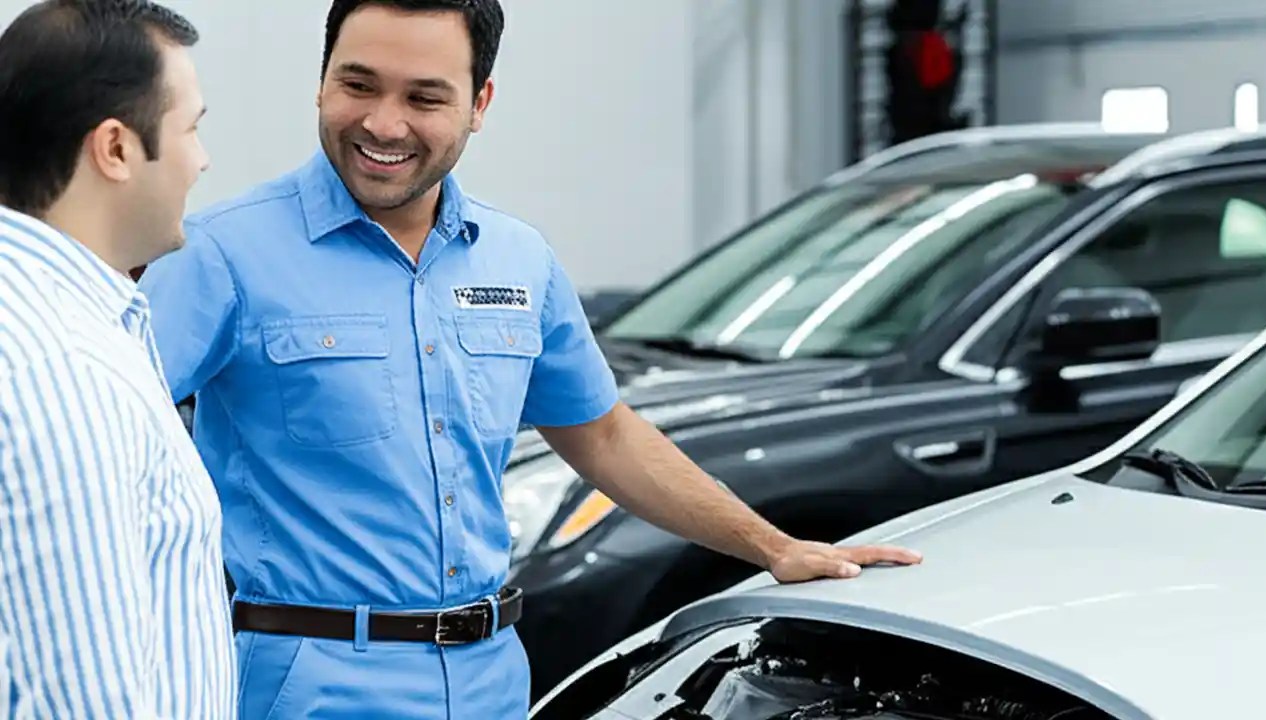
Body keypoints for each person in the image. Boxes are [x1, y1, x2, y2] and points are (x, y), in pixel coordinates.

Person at [138, 0, 922, 717]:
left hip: (492, 682)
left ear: (479, 104)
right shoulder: (219, 256)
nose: (383, 123)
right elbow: (104, 441)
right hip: (304, 687)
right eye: (358, 85)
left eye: (424, 97)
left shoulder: (517, 260)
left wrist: (774, 547)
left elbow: (606, 436)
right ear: (320, 83)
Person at [0, 1, 235, 718]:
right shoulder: (61, 368)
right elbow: (84, 701)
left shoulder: (69, 324)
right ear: (115, 148)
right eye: (190, 127)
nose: (202, 158)